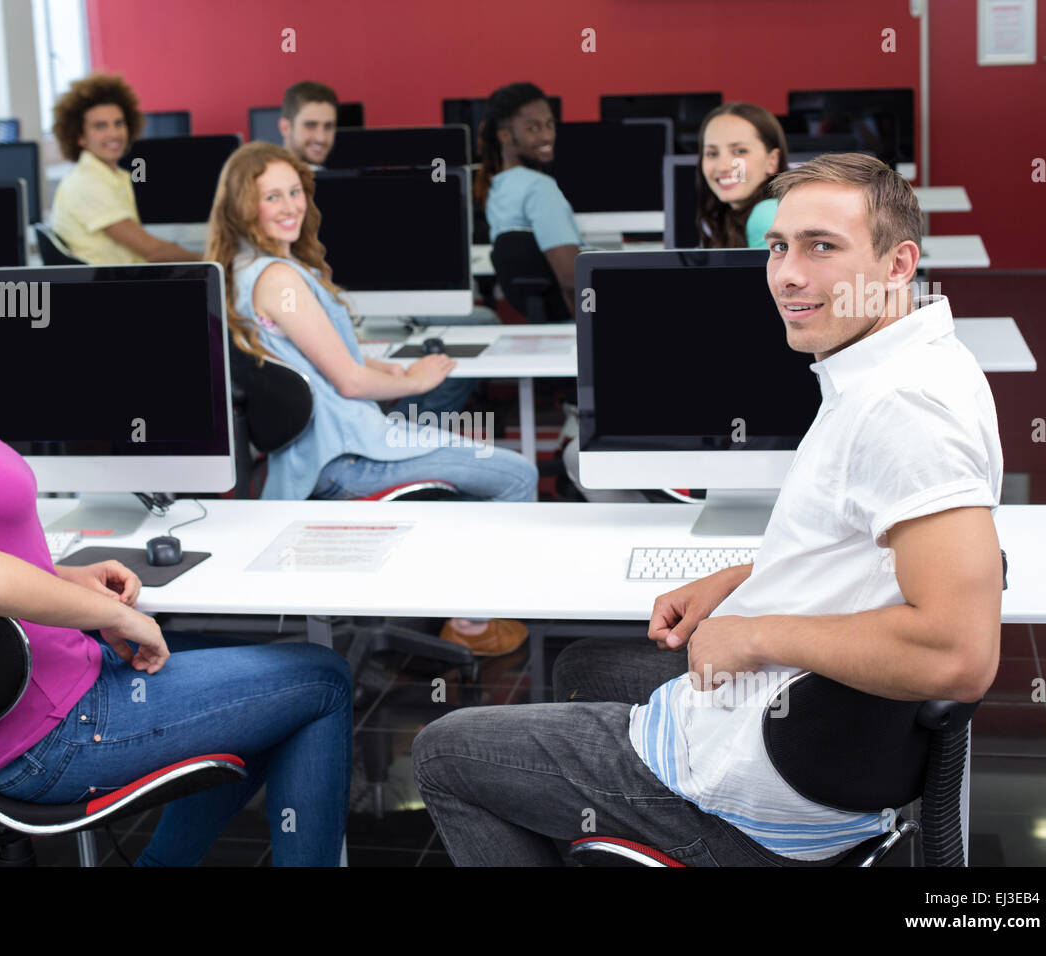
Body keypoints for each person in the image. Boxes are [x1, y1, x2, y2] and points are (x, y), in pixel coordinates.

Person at [413, 153, 1003, 865]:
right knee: (582, 669)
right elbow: (862, 552)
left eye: (822, 246)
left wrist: (756, 637)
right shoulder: (901, 361)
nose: (786, 274)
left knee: (444, 752)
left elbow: (959, 655)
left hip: (764, 790)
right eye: (779, 246)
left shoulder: (906, 409)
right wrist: (740, 581)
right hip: (817, 730)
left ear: (899, 262)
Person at [0, 207, 351, 866]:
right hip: (51, 734)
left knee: (268, 690)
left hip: (56, 682)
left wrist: (72, 582)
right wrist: (110, 614)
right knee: (320, 681)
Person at [206, 141, 538, 652]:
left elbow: (326, 359)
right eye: (272, 197)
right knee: (519, 475)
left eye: (295, 191)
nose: (291, 205)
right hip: (346, 458)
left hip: (322, 451)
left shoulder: (244, 271)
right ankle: (472, 626)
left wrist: (386, 366)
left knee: (465, 460)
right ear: (242, 207)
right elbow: (350, 383)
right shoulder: (279, 278)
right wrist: (418, 379)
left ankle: (448, 598)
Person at [50, 73, 198, 264]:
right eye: (100, 126)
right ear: (80, 136)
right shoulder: (87, 184)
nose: (113, 133)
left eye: (119, 123)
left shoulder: (109, 176)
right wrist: (212, 260)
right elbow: (153, 251)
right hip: (114, 289)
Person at [476, 82, 581, 316]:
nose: (547, 136)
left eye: (549, 125)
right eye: (533, 128)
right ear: (505, 136)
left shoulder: (496, 189)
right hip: (572, 325)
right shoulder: (540, 189)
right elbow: (572, 279)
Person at [697, 102, 789, 249]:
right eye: (711, 153)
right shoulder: (726, 220)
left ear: (772, 160)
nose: (722, 166)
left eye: (739, 151)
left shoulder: (767, 214)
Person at [279, 81, 338, 170]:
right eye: (310, 126)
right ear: (285, 128)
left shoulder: (325, 176)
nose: (321, 138)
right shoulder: (263, 180)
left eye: (328, 126)